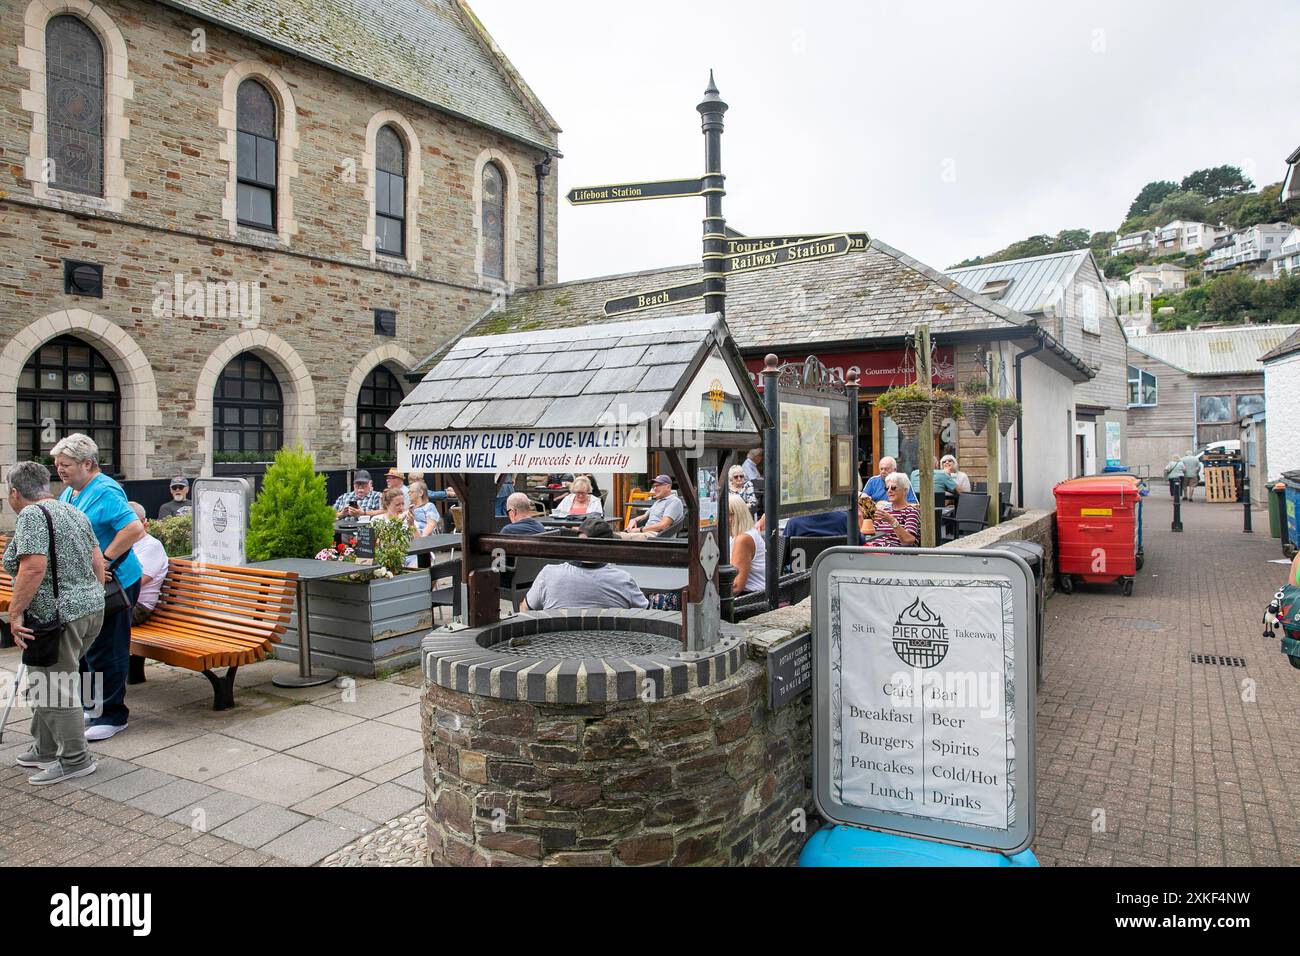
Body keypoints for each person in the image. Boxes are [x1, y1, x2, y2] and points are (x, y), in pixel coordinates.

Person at [5, 462, 107, 785]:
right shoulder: (72, 510)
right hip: (89, 611)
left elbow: (33, 568)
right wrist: (91, 597)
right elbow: (97, 562)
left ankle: (76, 759)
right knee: (53, 679)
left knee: (52, 687)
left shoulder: (32, 516)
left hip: (56, 618)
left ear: (14, 493)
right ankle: (45, 748)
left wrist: (14, 612)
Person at [53, 434, 143, 742]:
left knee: (107, 649)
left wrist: (104, 560)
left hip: (114, 585)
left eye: (65, 464)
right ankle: (93, 707)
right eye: (57, 463)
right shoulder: (71, 492)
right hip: (87, 586)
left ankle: (113, 715)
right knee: (86, 649)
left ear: (88, 464)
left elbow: (134, 529)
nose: (59, 469)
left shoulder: (105, 491)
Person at [521, 517, 649, 611]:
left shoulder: (548, 573)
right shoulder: (623, 579)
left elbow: (525, 609)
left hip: (557, 645)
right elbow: (644, 612)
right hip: (607, 646)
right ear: (609, 548)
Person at [127, 502, 169, 626]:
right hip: (123, 603)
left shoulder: (152, 546)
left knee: (96, 617)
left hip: (138, 607)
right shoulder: (125, 543)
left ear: (143, 522)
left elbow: (136, 582)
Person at [620, 475, 685, 540]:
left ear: (668, 487)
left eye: (658, 485)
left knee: (617, 538)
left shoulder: (674, 501)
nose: (655, 488)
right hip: (646, 533)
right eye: (654, 486)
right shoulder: (658, 501)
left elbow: (663, 525)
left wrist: (640, 529)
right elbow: (644, 516)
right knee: (615, 536)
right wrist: (634, 520)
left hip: (657, 536)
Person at [868, 471, 921, 548]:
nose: (889, 491)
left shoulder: (911, 511)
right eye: (887, 488)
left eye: (893, 488)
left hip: (894, 554)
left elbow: (908, 540)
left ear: (905, 491)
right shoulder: (884, 510)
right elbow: (870, 535)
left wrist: (892, 521)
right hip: (874, 551)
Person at [729, 496, 768, 596]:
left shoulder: (742, 539)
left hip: (751, 598)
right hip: (753, 595)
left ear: (732, 517)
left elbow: (736, 586)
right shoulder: (744, 533)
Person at [370, 488, 418, 567]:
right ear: (387, 505)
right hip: (387, 558)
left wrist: (412, 525)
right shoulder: (377, 520)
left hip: (408, 556)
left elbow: (420, 542)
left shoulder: (408, 519)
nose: (401, 507)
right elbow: (374, 545)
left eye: (402, 504)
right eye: (397, 505)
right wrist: (397, 523)